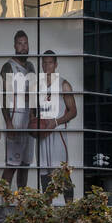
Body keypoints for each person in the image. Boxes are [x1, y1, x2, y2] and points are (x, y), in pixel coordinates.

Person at [37, 50, 77, 201]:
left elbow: (73, 111)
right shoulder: (37, 86)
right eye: (44, 62)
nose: (47, 65)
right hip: (42, 135)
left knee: (62, 175)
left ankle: (70, 212)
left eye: (50, 62)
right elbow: (34, 111)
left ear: (56, 64)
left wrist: (55, 122)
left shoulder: (64, 85)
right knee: (44, 175)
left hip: (57, 133)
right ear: (41, 64)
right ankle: (47, 213)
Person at [0, 30, 36, 187]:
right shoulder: (8, 66)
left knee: (25, 166)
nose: (23, 47)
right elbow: (4, 97)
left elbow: (34, 94)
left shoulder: (31, 66)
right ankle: (3, 208)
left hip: (29, 120)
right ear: (15, 45)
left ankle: (22, 205)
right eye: (20, 43)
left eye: (25, 43)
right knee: (11, 165)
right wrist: (8, 122)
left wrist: (34, 117)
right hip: (15, 118)